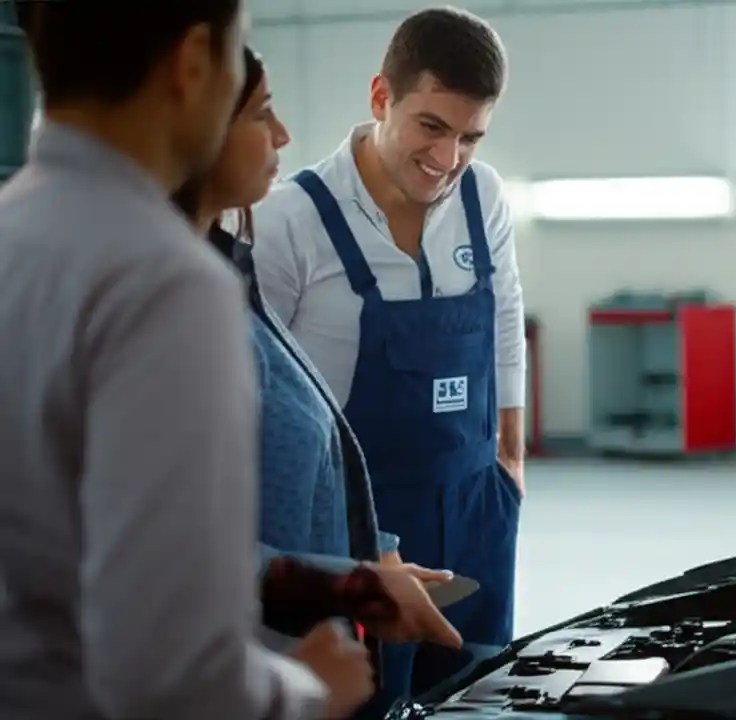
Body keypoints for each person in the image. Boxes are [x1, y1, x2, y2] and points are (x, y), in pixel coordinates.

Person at [0, 2, 366, 719]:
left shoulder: (16, 233)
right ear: (193, 60)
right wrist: (310, 690)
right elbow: (172, 673)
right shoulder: (164, 280)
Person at [252, 6, 526, 706]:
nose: (448, 159)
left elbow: (503, 319)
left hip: (476, 504)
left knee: (477, 691)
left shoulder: (482, 194)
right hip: (360, 525)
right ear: (382, 98)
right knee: (367, 699)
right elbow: (253, 386)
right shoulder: (291, 220)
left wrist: (511, 461)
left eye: (470, 136)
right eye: (431, 127)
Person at [169, 42, 464, 690]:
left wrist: (371, 553)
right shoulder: (163, 314)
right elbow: (166, 556)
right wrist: (348, 588)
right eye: (262, 113)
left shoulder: (227, 276)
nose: (282, 133)